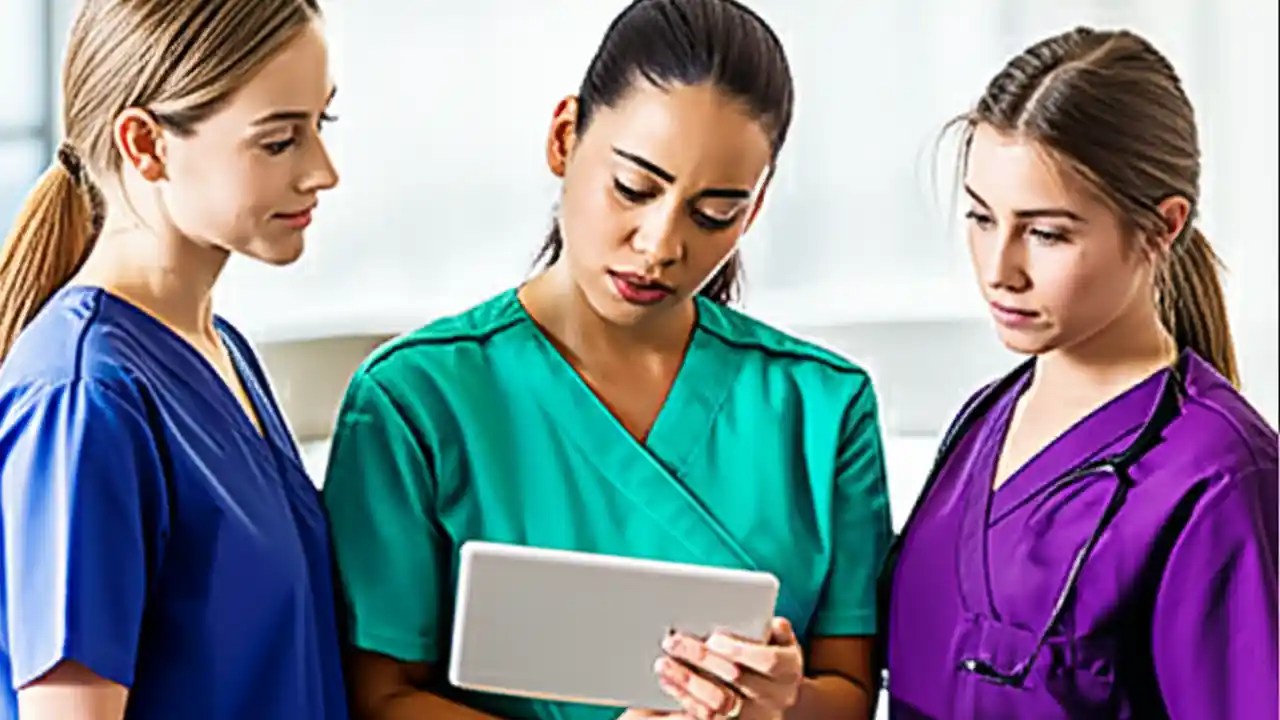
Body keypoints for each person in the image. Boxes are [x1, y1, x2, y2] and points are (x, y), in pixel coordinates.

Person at [321, 1, 891, 719]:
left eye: (715, 213)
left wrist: (776, 703)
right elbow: (381, 698)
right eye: (633, 188)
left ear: (756, 206)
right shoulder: (415, 400)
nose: (660, 245)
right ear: (565, 138)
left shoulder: (822, 406)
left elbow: (850, 695)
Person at [881, 26, 1278, 720]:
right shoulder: (984, 420)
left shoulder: (1216, 478)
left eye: (1047, 233)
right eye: (980, 217)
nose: (998, 268)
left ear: (1163, 228)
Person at [0, 1, 346, 718]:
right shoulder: (83, 394)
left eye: (323, 125)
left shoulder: (223, 352)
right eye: (280, 141)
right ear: (145, 144)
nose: (323, 171)